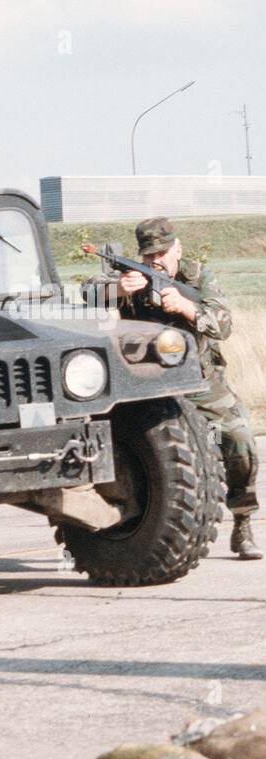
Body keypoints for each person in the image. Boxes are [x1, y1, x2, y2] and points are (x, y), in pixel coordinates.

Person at [104, 217, 260, 560]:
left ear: (178, 249)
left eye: (162, 252)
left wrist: (188, 308)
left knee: (236, 438)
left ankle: (243, 520)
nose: (155, 261)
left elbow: (224, 325)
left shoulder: (199, 277)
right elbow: (78, 300)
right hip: (146, 383)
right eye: (148, 256)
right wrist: (115, 291)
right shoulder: (128, 279)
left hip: (198, 377)